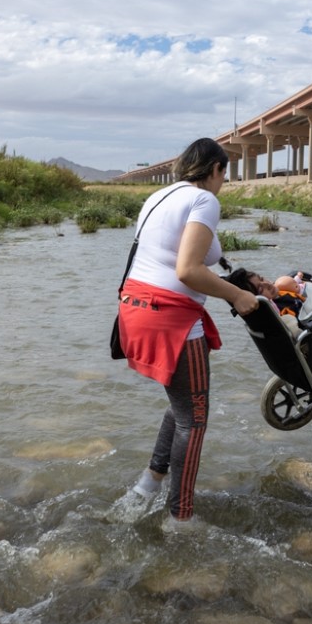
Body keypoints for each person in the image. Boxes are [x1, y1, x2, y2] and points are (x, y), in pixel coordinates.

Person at [118, 138, 258, 532]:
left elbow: (172, 257)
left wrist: (235, 280)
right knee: (194, 419)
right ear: (214, 169)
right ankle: (181, 516)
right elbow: (187, 271)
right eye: (224, 175)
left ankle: (149, 484)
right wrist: (237, 295)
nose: (223, 183)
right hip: (172, 318)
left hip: (135, 307)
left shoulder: (159, 196)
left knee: (180, 405)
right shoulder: (204, 201)